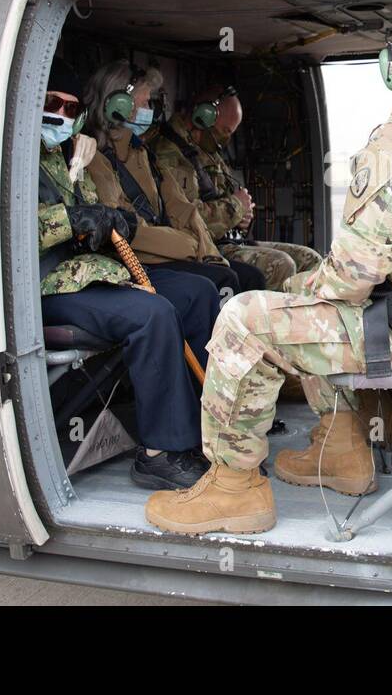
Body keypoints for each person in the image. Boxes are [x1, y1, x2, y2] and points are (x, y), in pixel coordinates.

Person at [144, 2, 392, 534]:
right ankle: (343, 450)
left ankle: (234, 488)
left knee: (246, 316)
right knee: (306, 298)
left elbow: (353, 277)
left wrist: (305, 285)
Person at [37, 63, 209, 490]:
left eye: (69, 107)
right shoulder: (8, 158)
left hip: (94, 271)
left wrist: (113, 219)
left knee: (197, 292)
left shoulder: (72, 155)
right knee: (150, 314)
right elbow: (4, 228)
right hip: (47, 283)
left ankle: (210, 426)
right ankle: (159, 452)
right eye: (49, 104)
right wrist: (69, 218)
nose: (60, 113)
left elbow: (101, 212)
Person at [80, 60, 263, 311]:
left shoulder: (142, 152)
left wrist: (210, 255)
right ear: (118, 106)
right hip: (134, 260)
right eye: (144, 103)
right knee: (218, 282)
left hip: (167, 250)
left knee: (246, 276)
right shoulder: (95, 159)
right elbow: (123, 228)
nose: (149, 110)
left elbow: (182, 208)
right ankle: (213, 350)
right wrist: (188, 245)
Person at [149, 85, 322, 290]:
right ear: (204, 116)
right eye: (225, 131)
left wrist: (244, 213)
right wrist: (236, 207)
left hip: (229, 240)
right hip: (204, 246)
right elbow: (186, 220)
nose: (227, 139)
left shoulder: (207, 151)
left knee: (310, 259)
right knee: (281, 265)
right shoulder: (168, 153)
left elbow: (232, 196)